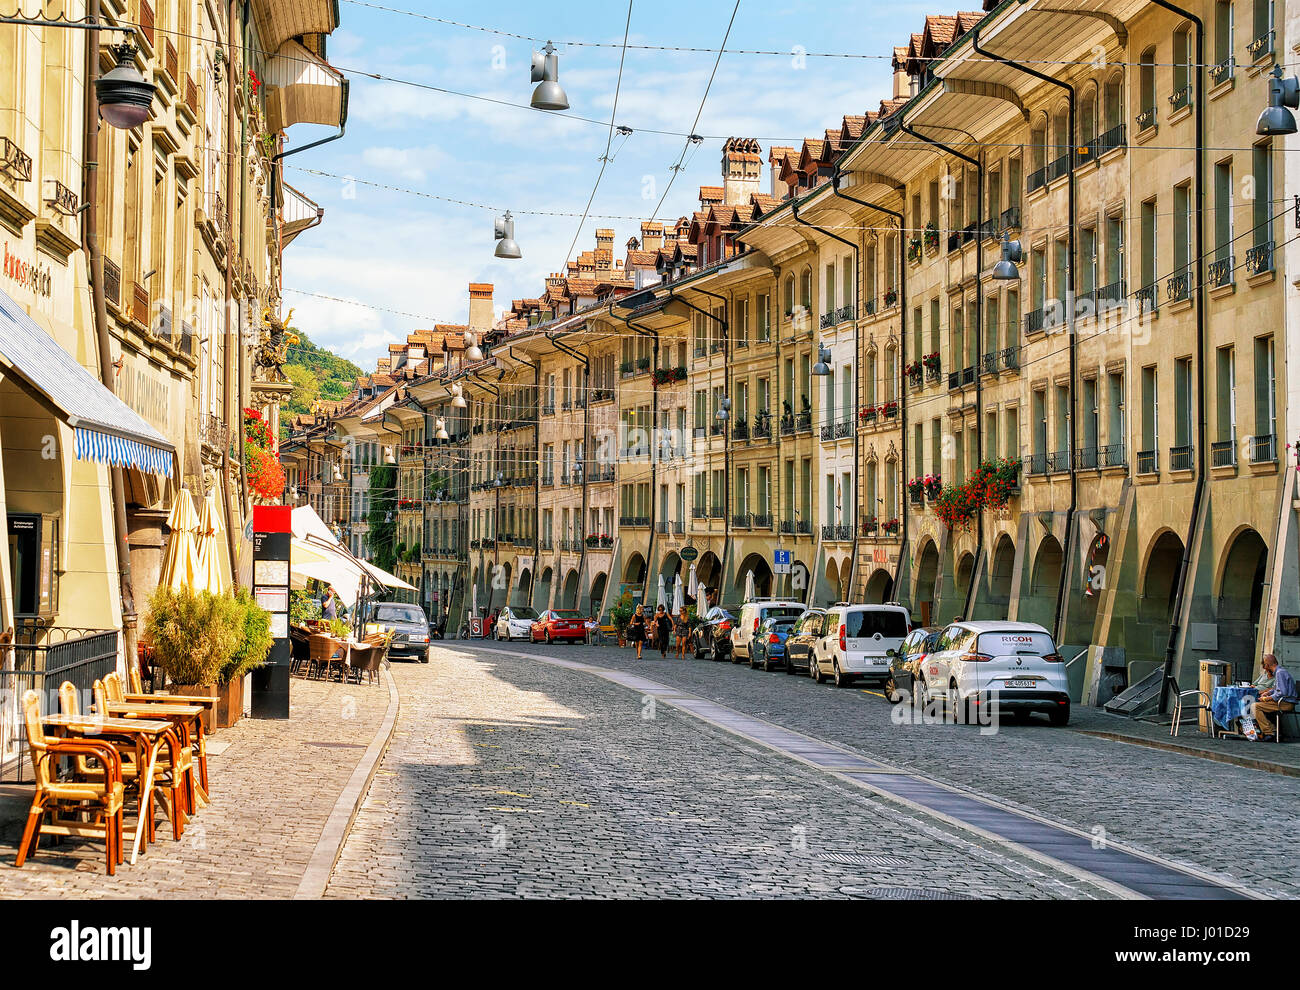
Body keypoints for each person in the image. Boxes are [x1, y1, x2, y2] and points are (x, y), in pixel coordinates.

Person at [1252, 654, 1297, 740]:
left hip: (1285, 702)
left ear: (1267, 665)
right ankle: (1273, 729)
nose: (1265, 668)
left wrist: (1267, 698)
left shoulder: (1280, 673)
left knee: (1255, 706)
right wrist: (1268, 693)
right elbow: (1277, 688)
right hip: (1285, 701)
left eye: (1265, 665)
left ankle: (1270, 732)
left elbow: (1281, 692)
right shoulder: (1280, 671)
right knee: (1258, 704)